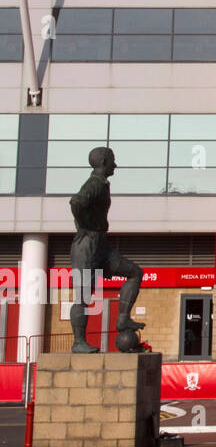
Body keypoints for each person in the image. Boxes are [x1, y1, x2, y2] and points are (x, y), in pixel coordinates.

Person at [69, 147, 145, 353]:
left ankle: (122, 318)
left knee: (135, 272)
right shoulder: (94, 184)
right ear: (103, 162)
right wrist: (86, 225)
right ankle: (79, 342)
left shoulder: (101, 184)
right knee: (83, 297)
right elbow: (76, 202)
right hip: (86, 246)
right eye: (112, 161)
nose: (115, 164)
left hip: (100, 245)